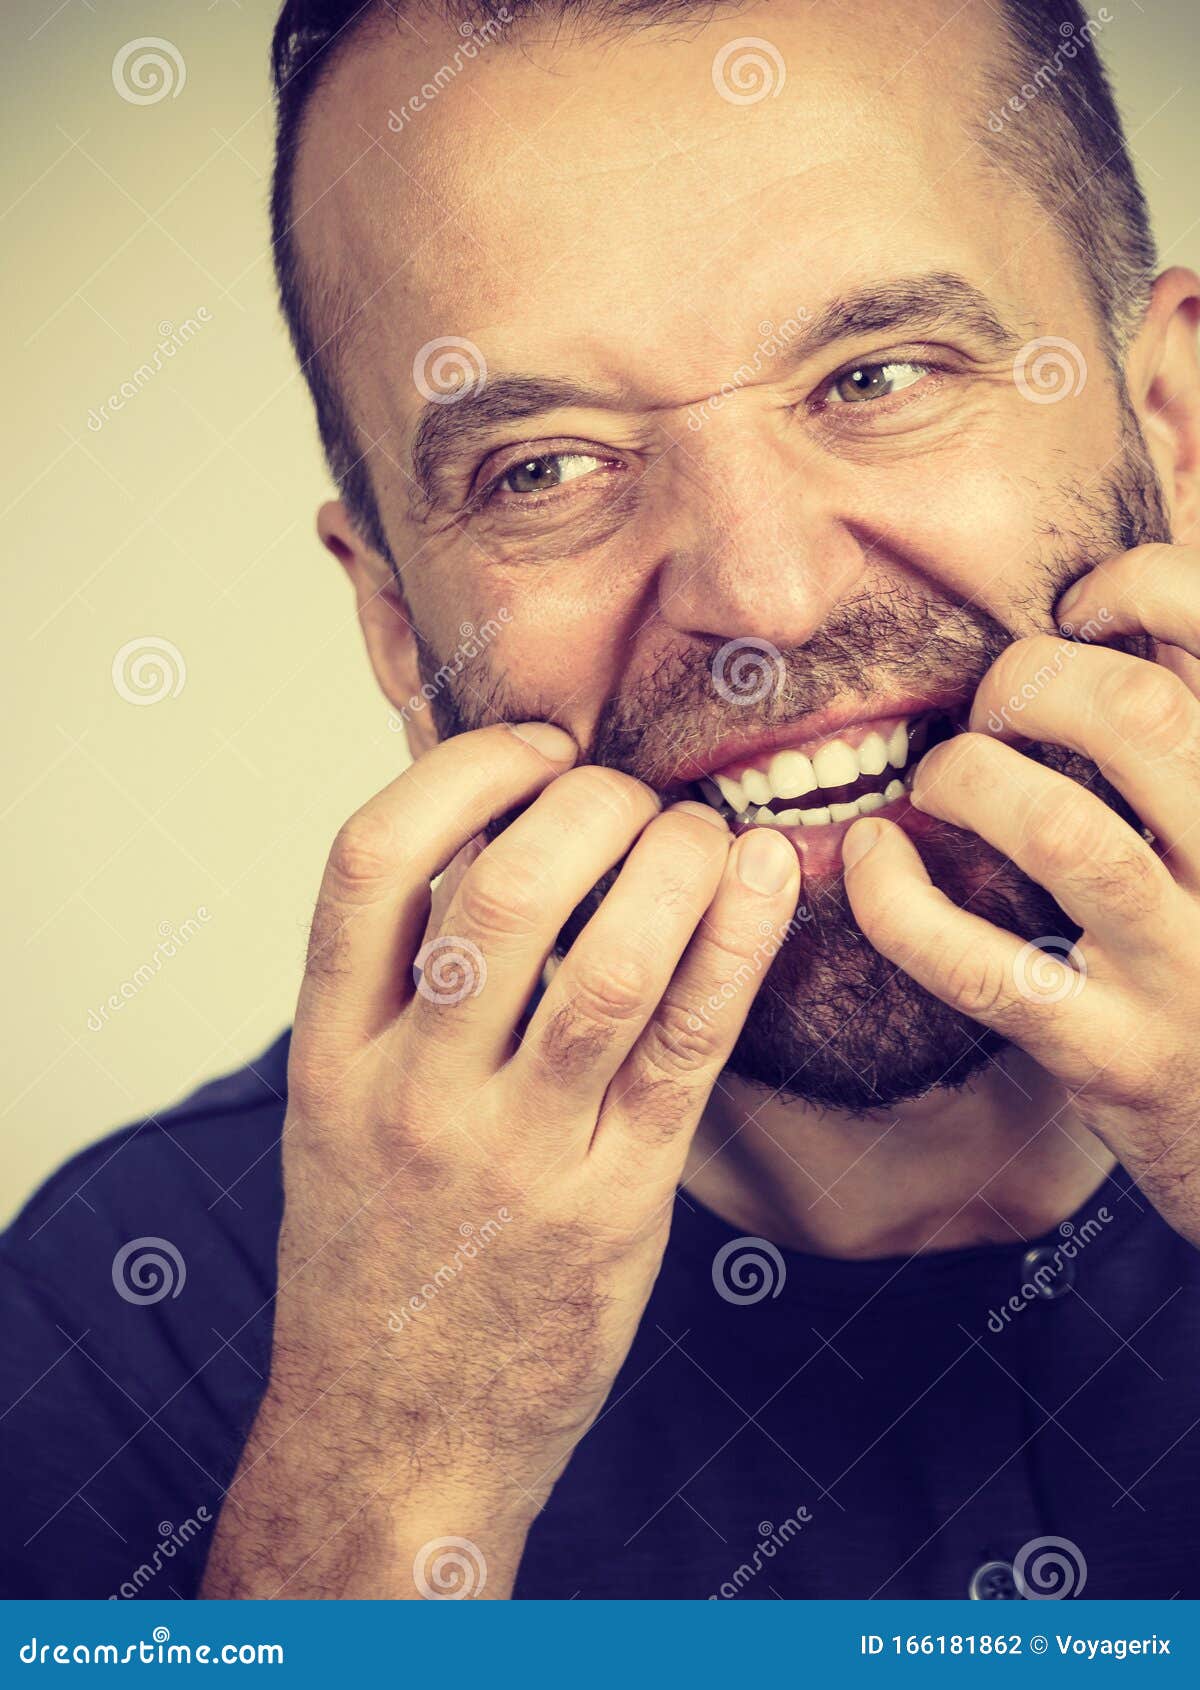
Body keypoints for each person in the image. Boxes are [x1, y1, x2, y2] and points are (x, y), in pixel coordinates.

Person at [4, 0, 1200, 1602]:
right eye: (541, 470)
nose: (764, 601)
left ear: (1177, 432)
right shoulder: (121, 1317)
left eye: (878, 374)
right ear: (392, 624)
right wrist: (392, 1461)